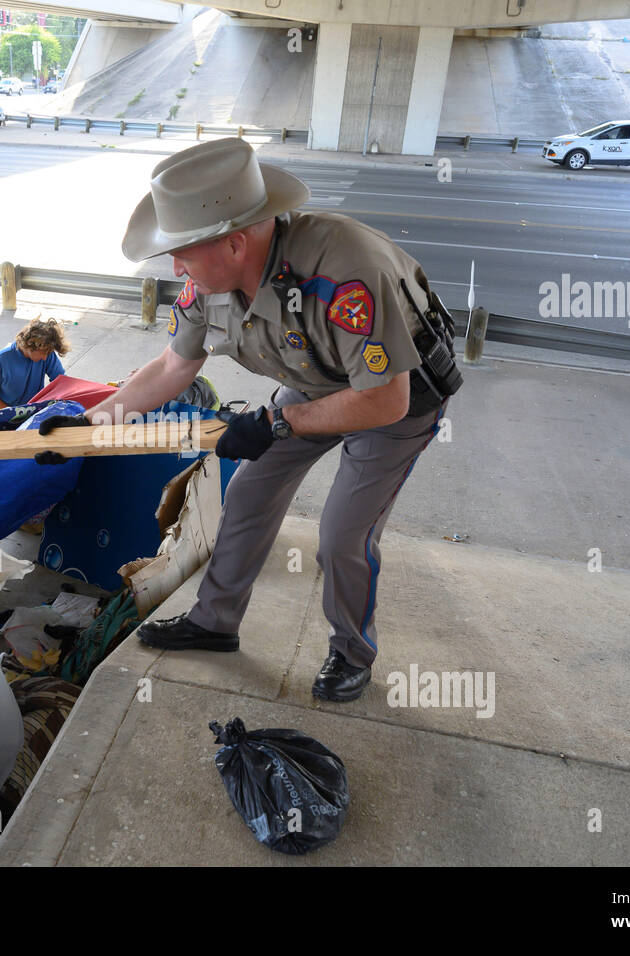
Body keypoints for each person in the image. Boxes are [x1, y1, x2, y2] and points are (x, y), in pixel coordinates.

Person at [37, 138, 458, 702]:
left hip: (396, 400)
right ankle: (214, 623)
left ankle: (351, 653)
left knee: (342, 535)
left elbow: (383, 400)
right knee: (248, 495)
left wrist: (277, 424)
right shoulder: (205, 284)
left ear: (235, 242)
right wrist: (87, 429)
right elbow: (171, 367)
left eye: (182, 249)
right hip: (316, 387)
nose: (173, 263)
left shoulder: (346, 272)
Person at [0, 317, 69, 410]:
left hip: (28, 412)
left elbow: (61, 381)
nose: (45, 358)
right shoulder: (1, 360)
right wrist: (11, 414)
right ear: (30, 346)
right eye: (44, 353)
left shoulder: (46, 352)